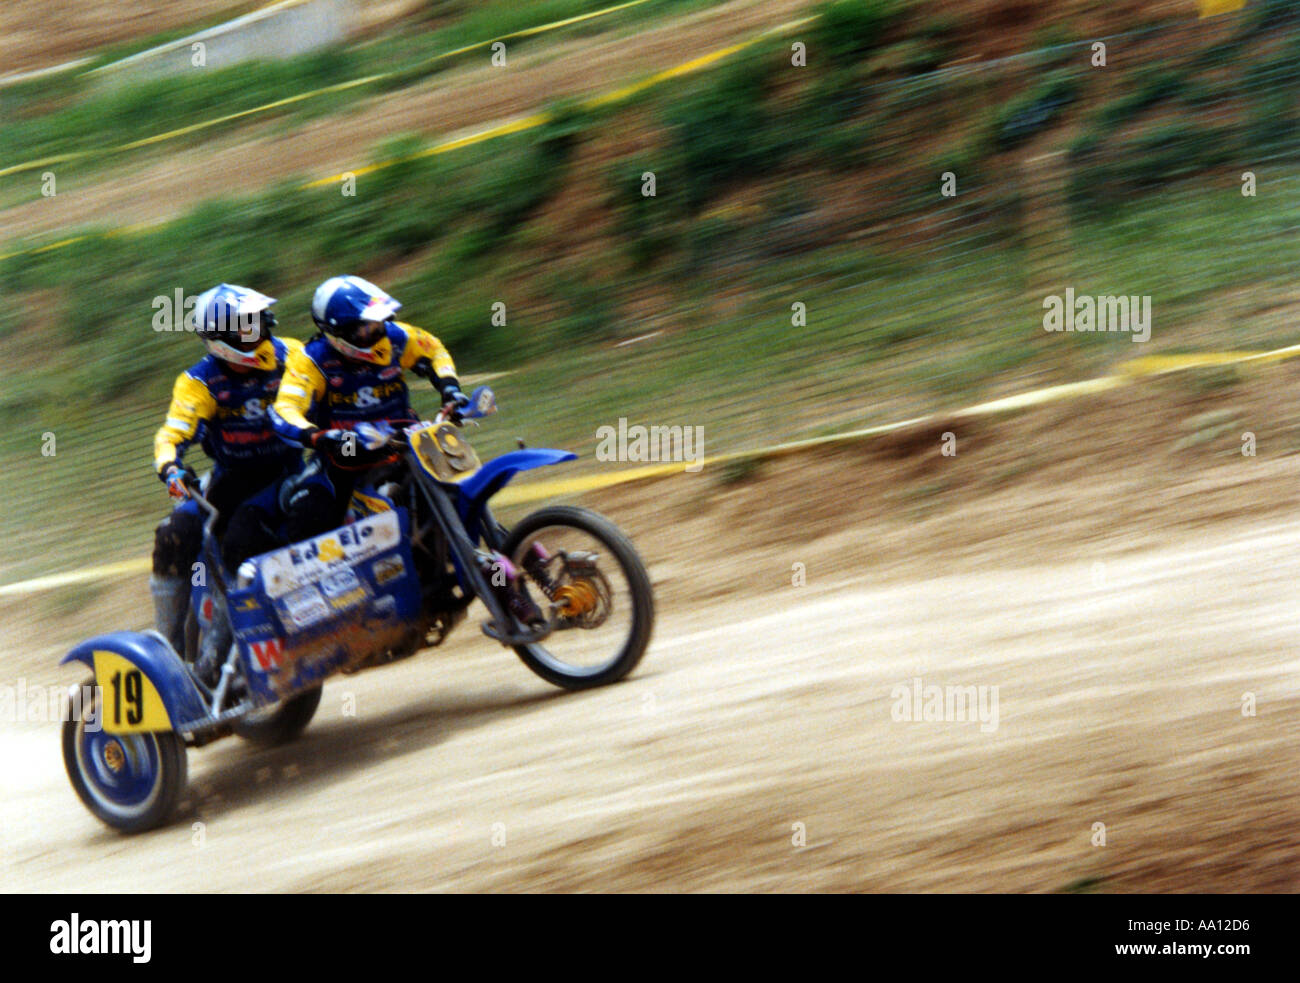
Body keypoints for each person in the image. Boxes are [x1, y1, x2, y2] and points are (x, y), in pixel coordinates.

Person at [270, 275, 543, 627]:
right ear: (337, 332)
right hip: (347, 456)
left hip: (407, 443)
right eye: (366, 328)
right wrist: (319, 437)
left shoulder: (396, 338)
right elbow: (283, 410)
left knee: (463, 496)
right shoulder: (312, 360)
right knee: (307, 514)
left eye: (380, 321)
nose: (377, 331)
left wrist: (450, 390)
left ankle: (510, 568)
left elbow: (433, 349)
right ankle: (319, 614)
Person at [150, 284, 303, 669]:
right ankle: (167, 657)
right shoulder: (200, 381)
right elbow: (172, 434)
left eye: (259, 321)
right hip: (231, 480)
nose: (260, 331)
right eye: (247, 326)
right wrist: (171, 469)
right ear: (222, 339)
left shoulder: (293, 356)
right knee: (172, 535)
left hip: (289, 475)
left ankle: (219, 654)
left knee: (239, 542)